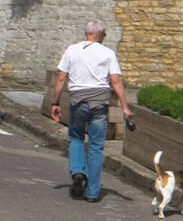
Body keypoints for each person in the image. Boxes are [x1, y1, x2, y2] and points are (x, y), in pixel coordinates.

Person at [50, 20, 132, 202]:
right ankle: (93, 193)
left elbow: (61, 77)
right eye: (104, 35)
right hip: (99, 103)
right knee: (96, 146)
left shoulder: (72, 50)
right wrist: (125, 107)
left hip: (78, 100)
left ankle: (78, 172)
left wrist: (55, 102)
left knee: (76, 138)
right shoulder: (108, 53)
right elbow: (116, 81)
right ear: (99, 35)